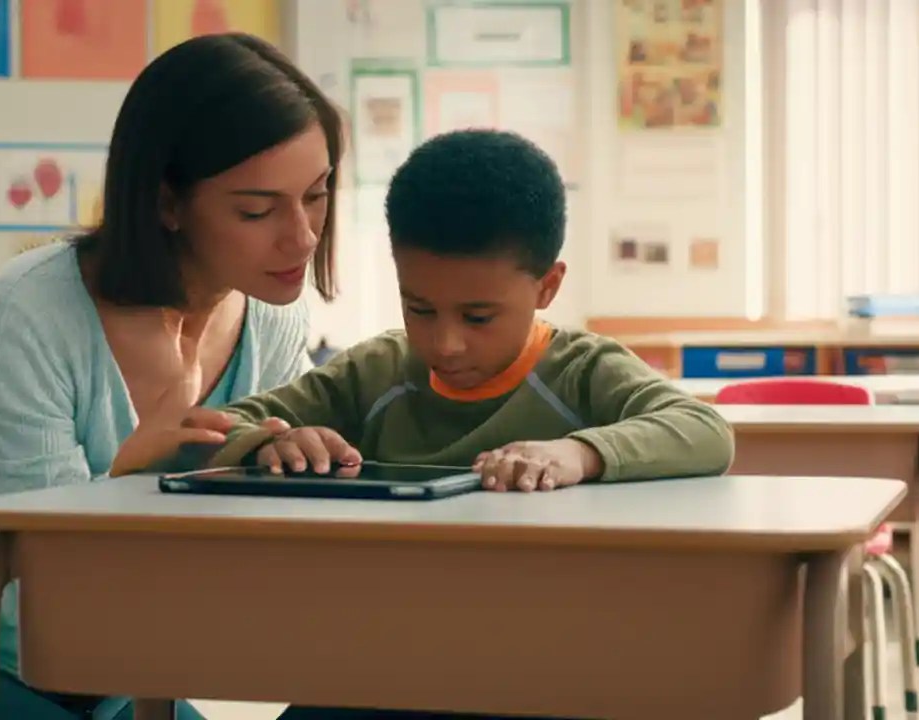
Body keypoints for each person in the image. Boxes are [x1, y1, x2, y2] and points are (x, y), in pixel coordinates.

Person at [145, 130, 735, 720]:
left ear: (547, 287)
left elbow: (704, 429)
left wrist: (578, 454)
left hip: (547, 667)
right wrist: (271, 440)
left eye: (478, 316)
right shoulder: (375, 371)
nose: (445, 343)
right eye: (419, 308)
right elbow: (211, 429)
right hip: (384, 665)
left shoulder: (582, 373)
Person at [0, 33, 344, 720]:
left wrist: (302, 479)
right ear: (168, 203)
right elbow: (40, 588)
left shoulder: (273, 320)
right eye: (257, 210)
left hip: (121, 676)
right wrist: (130, 478)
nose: (303, 236)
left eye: (316, 196)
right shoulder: (30, 308)